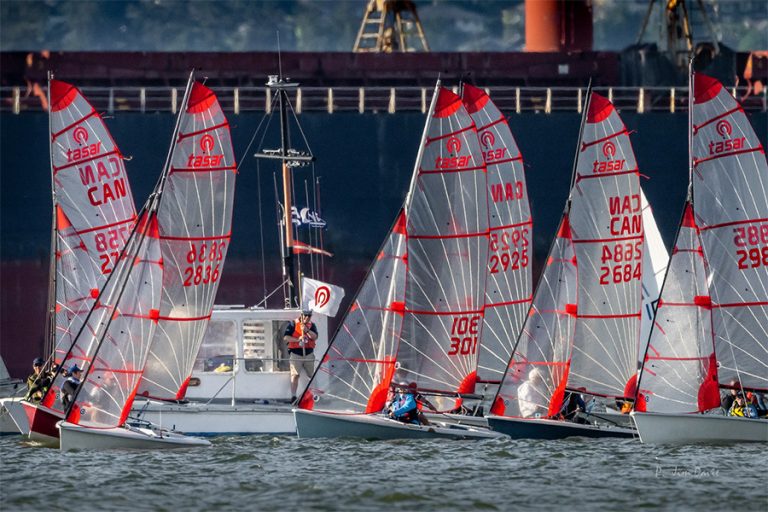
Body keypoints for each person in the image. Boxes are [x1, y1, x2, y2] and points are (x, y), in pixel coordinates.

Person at [283, 309, 318, 405]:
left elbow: (315, 337)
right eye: (305, 315)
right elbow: (286, 337)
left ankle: (314, 395)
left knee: (312, 375)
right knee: (295, 375)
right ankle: (293, 396)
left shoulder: (312, 325)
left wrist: (307, 330)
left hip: (308, 354)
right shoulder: (293, 324)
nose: (307, 318)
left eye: (309, 316)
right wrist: (298, 339)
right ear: (302, 316)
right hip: (296, 354)